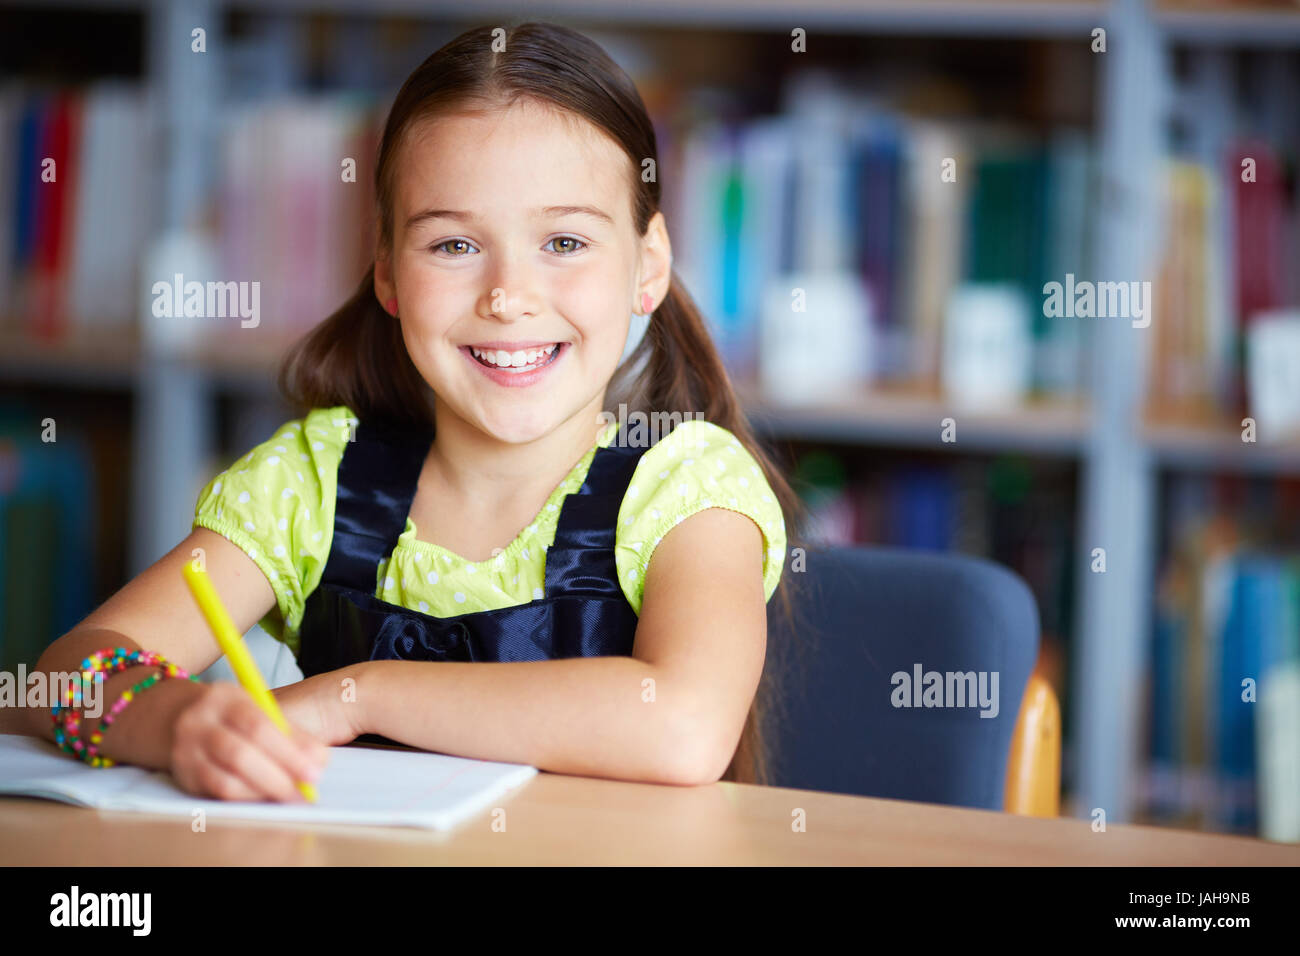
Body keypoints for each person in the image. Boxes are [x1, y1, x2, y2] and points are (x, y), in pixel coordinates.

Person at [26, 21, 806, 799]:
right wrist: (175, 720)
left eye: (564, 243)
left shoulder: (688, 487)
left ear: (649, 265)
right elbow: (62, 677)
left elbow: (683, 725)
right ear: (389, 272)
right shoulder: (316, 482)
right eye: (453, 246)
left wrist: (358, 694)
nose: (508, 298)